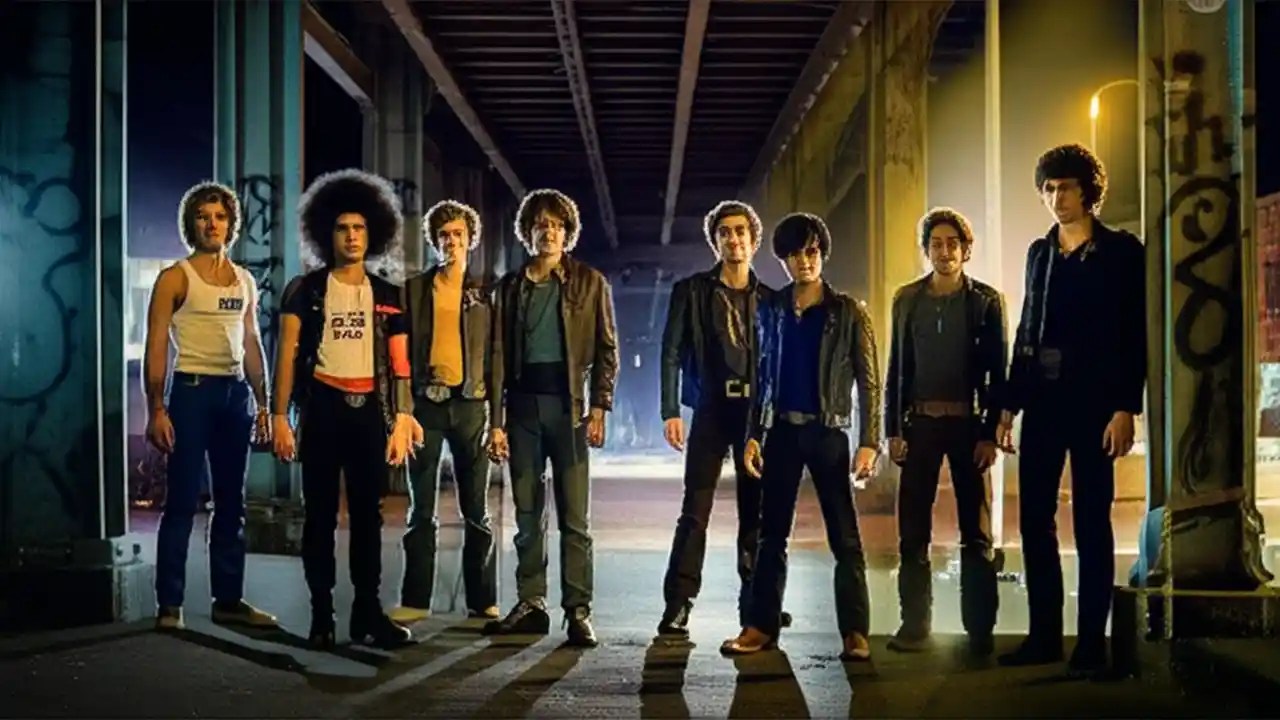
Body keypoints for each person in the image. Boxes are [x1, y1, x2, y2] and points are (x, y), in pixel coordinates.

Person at [997, 144, 1146, 675]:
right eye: (1049, 188)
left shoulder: (1123, 252)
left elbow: (1135, 333)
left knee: (1091, 522)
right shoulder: (1039, 253)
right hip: (1042, 399)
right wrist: (1009, 405)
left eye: (1065, 187)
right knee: (1035, 520)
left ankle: (1090, 644)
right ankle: (1044, 637)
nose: (1057, 197)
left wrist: (1127, 406)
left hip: (1095, 404)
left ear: (1088, 191)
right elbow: (1026, 330)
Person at [271, 169, 422, 650]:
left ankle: (367, 613)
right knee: (318, 517)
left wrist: (402, 417)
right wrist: (279, 417)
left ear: (371, 233)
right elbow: (287, 355)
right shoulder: (306, 289)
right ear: (326, 234)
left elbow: (401, 366)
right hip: (323, 411)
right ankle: (321, 616)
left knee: (369, 519)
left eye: (359, 228)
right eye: (342, 228)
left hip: (367, 416)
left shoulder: (388, 295)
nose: (352, 236)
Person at [721, 212, 880, 662]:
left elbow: (870, 381)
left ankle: (854, 632)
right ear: (784, 261)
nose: (804, 261)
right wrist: (753, 435)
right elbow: (760, 375)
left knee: (844, 537)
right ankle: (759, 627)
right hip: (781, 434)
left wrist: (870, 440)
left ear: (822, 254)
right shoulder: (769, 309)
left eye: (811, 251)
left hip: (827, 432)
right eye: (794, 254)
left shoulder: (847, 312)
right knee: (771, 535)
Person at [483, 188, 618, 648]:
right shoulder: (509, 288)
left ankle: (578, 611)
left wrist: (600, 406)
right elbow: (495, 356)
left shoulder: (590, 283)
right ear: (528, 232)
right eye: (541, 224)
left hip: (571, 412)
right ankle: (531, 603)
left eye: (557, 225)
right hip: (522, 410)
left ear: (568, 233)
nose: (549, 232)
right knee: (526, 514)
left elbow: (606, 349)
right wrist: (496, 420)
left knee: (575, 519)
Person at [145, 181, 277, 632]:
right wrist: (156, 409)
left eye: (219, 216)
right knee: (181, 501)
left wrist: (264, 405)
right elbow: (156, 345)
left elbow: (253, 342)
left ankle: (229, 600)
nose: (212, 224)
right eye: (203, 216)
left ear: (231, 224)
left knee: (232, 503)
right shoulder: (175, 278)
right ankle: (170, 605)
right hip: (192, 393)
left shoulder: (243, 279)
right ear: (191, 224)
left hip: (235, 395)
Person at [656, 200, 791, 636]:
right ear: (715, 241)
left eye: (740, 232)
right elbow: (671, 352)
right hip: (711, 408)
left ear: (754, 241)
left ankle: (755, 604)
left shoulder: (771, 300)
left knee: (756, 512)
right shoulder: (692, 291)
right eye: (725, 232)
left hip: (754, 416)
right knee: (695, 509)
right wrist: (671, 410)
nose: (733, 239)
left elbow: (777, 365)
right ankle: (678, 603)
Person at [883, 207, 1007, 656]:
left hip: (968, 426)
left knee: (976, 533)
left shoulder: (986, 302)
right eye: (936, 244)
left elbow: (998, 371)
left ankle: (979, 632)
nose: (945, 251)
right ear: (926, 249)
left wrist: (991, 432)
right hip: (918, 428)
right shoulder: (907, 300)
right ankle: (915, 627)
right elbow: (897, 367)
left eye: (953, 243)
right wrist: (892, 429)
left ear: (966, 249)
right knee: (912, 530)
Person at [391, 199, 498, 624]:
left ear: (471, 240)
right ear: (435, 242)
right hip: (426, 406)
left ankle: (482, 600)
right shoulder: (414, 290)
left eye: (458, 235)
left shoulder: (486, 292)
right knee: (421, 509)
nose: (451, 242)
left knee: (477, 509)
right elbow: (398, 359)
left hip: (471, 405)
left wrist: (498, 415)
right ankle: (416, 600)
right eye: (444, 236)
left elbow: (497, 355)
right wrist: (402, 409)